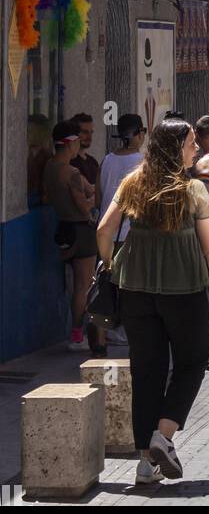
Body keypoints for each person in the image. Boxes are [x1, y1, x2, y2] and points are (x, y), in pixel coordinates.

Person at [97, 116, 209, 487]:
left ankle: (145, 465)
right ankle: (163, 436)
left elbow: (103, 230)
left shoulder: (134, 182)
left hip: (135, 289)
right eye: (191, 144)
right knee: (193, 360)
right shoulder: (194, 190)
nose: (196, 149)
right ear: (175, 149)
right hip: (185, 288)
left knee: (146, 370)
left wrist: (110, 262)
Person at [42, 121, 98, 350]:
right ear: (70, 143)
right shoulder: (71, 172)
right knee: (83, 286)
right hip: (81, 231)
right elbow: (85, 206)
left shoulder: (50, 167)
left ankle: (77, 333)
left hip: (63, 228)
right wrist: (98, 197)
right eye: (77, 141)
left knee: (74, 284)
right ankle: (78, 335)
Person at [70, 113, 100, 208]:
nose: (89, 137)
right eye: (85, 132)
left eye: (91, 132)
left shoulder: (92, 161)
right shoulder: (70, 163)